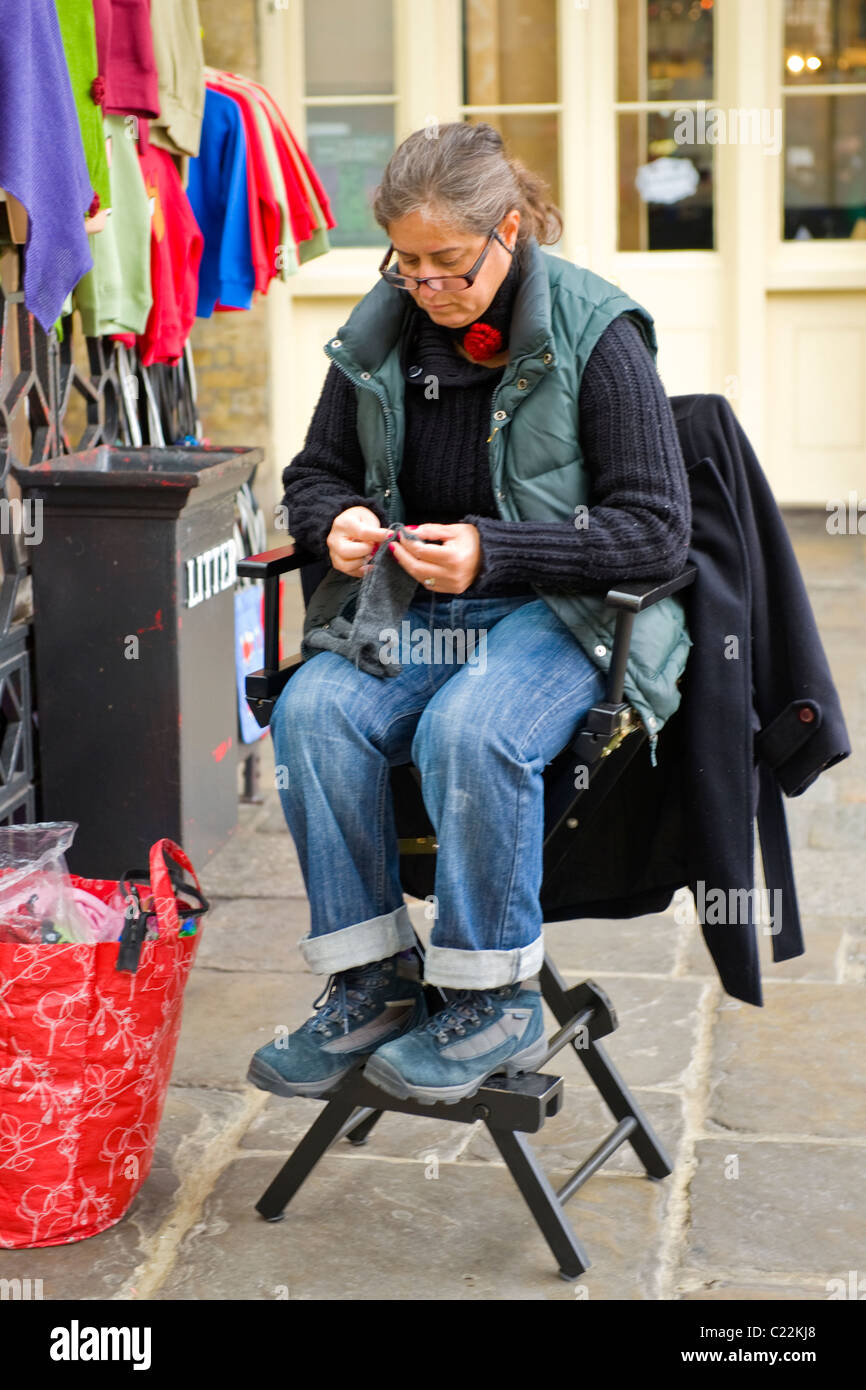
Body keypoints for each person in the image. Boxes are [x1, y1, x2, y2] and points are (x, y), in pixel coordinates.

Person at [248, 122, 692, 1107]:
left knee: (471, 724)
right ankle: (371, 981)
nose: (426, 285)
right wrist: (340, 523)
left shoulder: (593, 329)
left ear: (506, 230)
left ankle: (496, 1001)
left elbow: (657, 531)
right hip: (425, 602)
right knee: (312, 711)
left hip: (566, 611)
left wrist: (497, 548)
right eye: (405, 263)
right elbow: (313, 472)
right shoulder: (386, 325)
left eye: (447, 262)